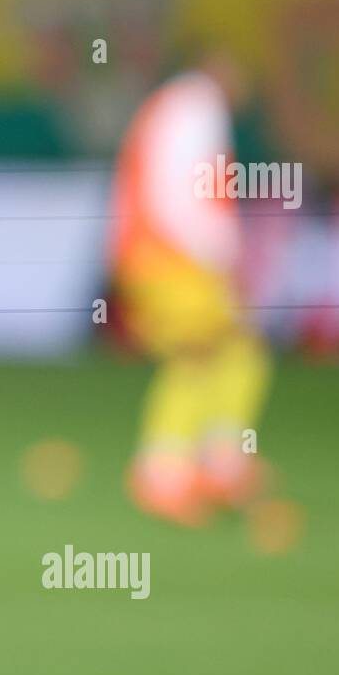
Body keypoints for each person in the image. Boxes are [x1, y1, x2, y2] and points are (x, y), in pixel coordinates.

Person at [108, 51, 272, 527]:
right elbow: (180, 192)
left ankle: (221, 461)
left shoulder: (179, 106)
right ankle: (161, 471)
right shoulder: (195, 108)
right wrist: (219, 251)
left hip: (168, 253)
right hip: (170, 255)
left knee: (240, 350)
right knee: (198, 353)